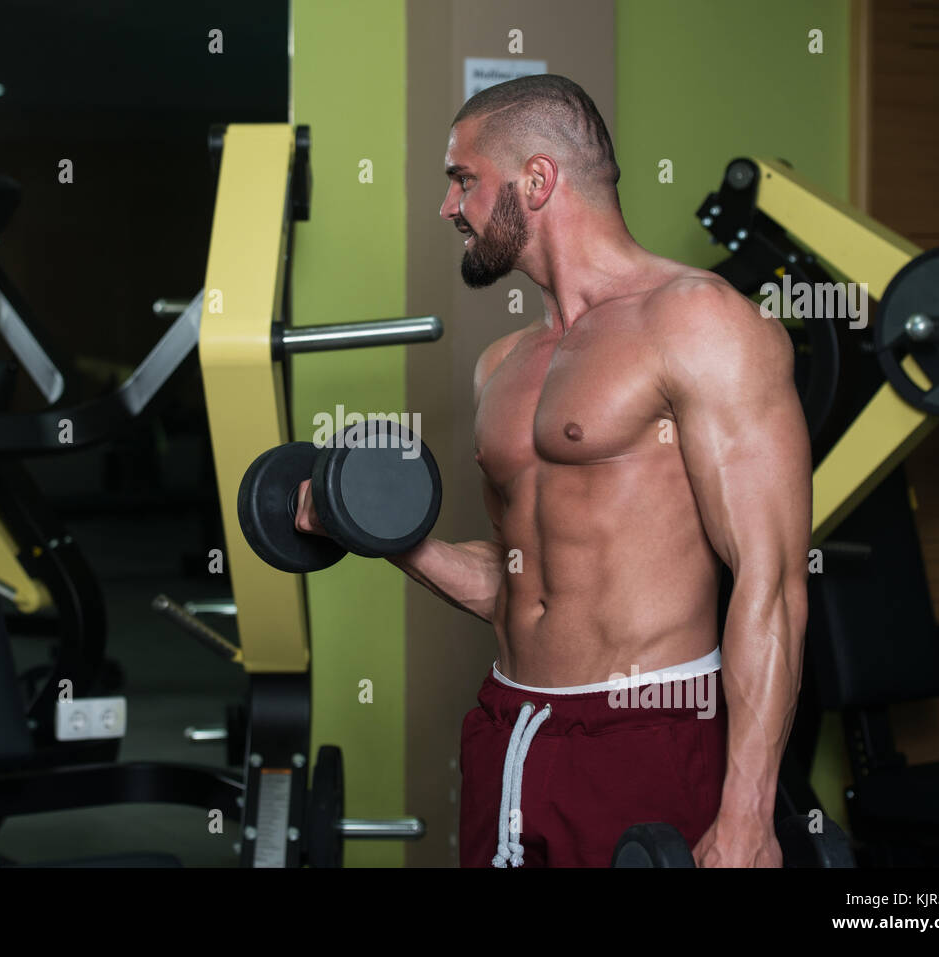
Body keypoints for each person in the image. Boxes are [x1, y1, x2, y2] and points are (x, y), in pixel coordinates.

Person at [298, 74, 811, 867]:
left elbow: (771, 582)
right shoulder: (502, 364)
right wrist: (384, 535)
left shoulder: (699, 322)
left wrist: (748, 813)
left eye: (462, 180)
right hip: (508, 727)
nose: (447, 207)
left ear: (536, 180)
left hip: (650, 730)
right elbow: (521, 583)